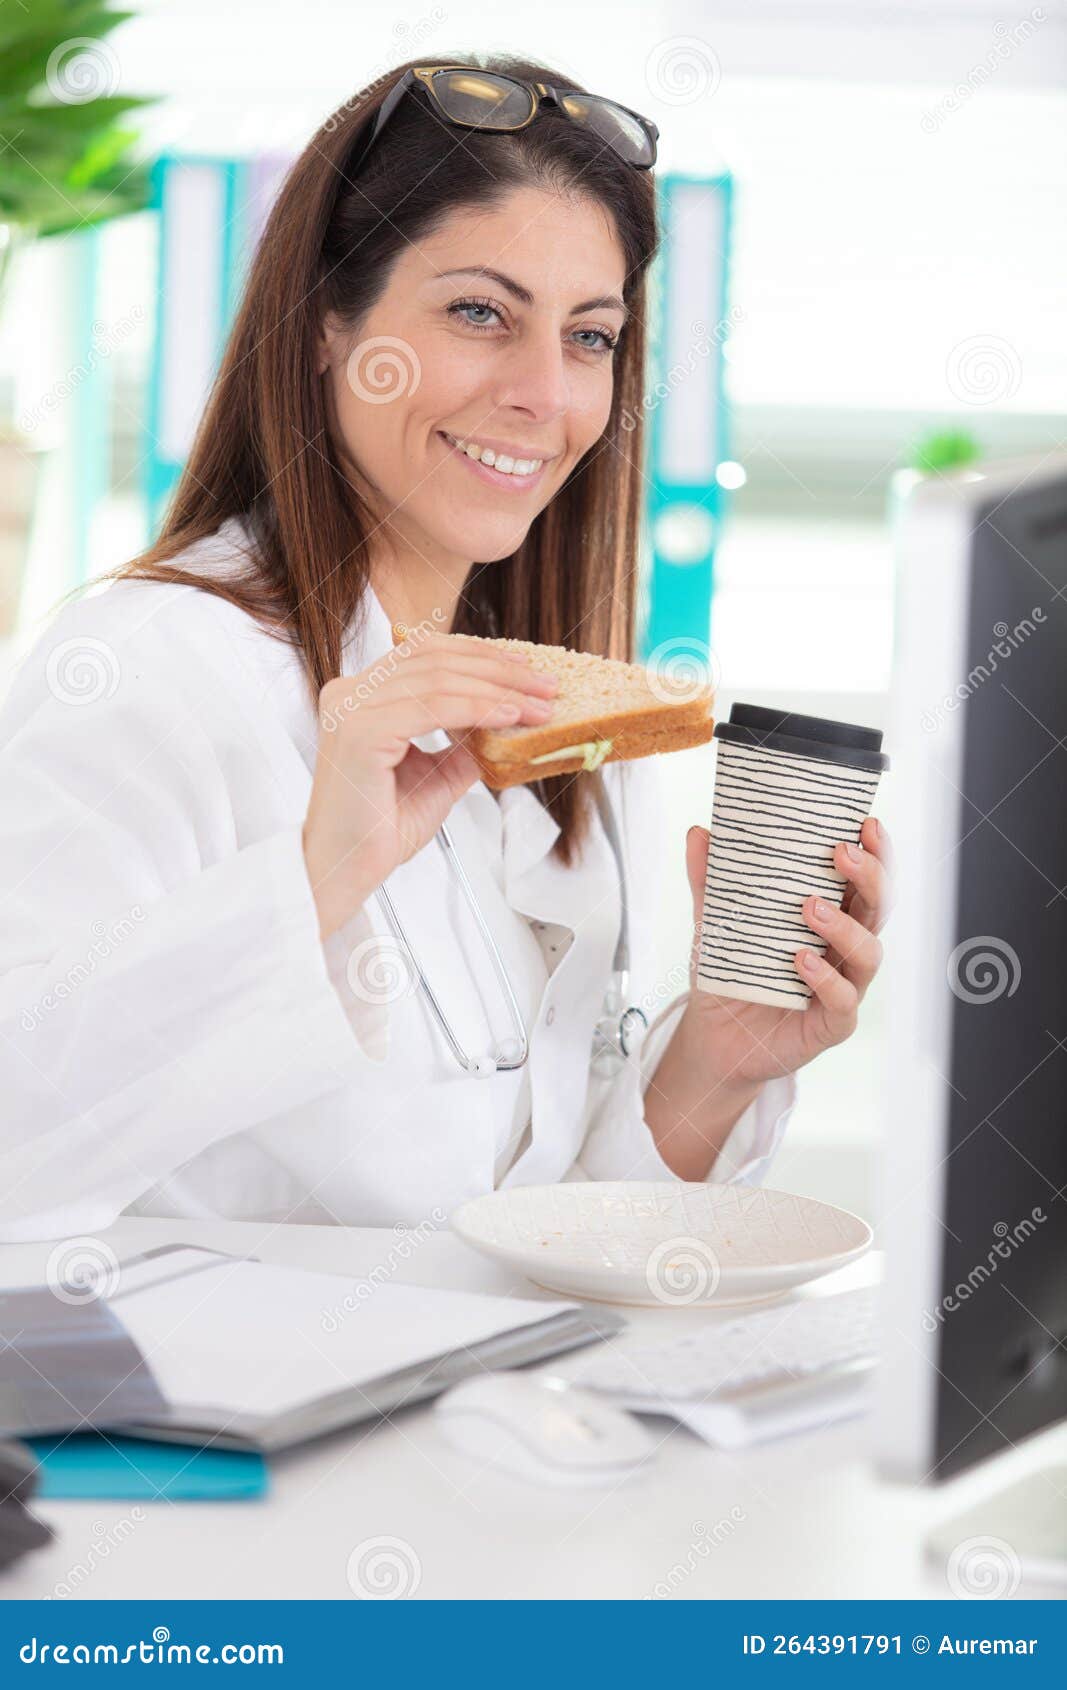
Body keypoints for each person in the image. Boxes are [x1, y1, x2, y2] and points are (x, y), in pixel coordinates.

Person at [0, 54, 892, 1240]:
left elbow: (536, 1240)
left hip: (485, 1417)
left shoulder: (558, 714)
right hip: (216, 1420)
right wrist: (317, 875)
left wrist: (715, 1064)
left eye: (589, 336)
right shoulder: (151, 663)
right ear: (327, 323)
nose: (542, 393)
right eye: (481, 312)